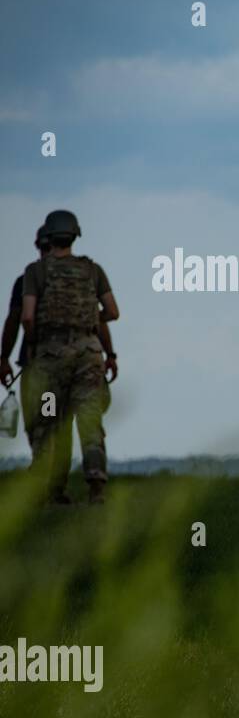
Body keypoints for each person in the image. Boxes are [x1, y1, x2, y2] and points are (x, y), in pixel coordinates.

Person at [20, 210, 120, 505]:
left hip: (51, 358)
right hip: (89, 355)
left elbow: (27, 317)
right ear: (75, 235)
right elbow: (113, 312)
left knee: (51, 419)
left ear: (48, 238)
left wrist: (39, 339)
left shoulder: (35, 272)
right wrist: (87, 320)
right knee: (89, 420)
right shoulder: (93, 270)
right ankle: (96, 486)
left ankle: (52, 489)